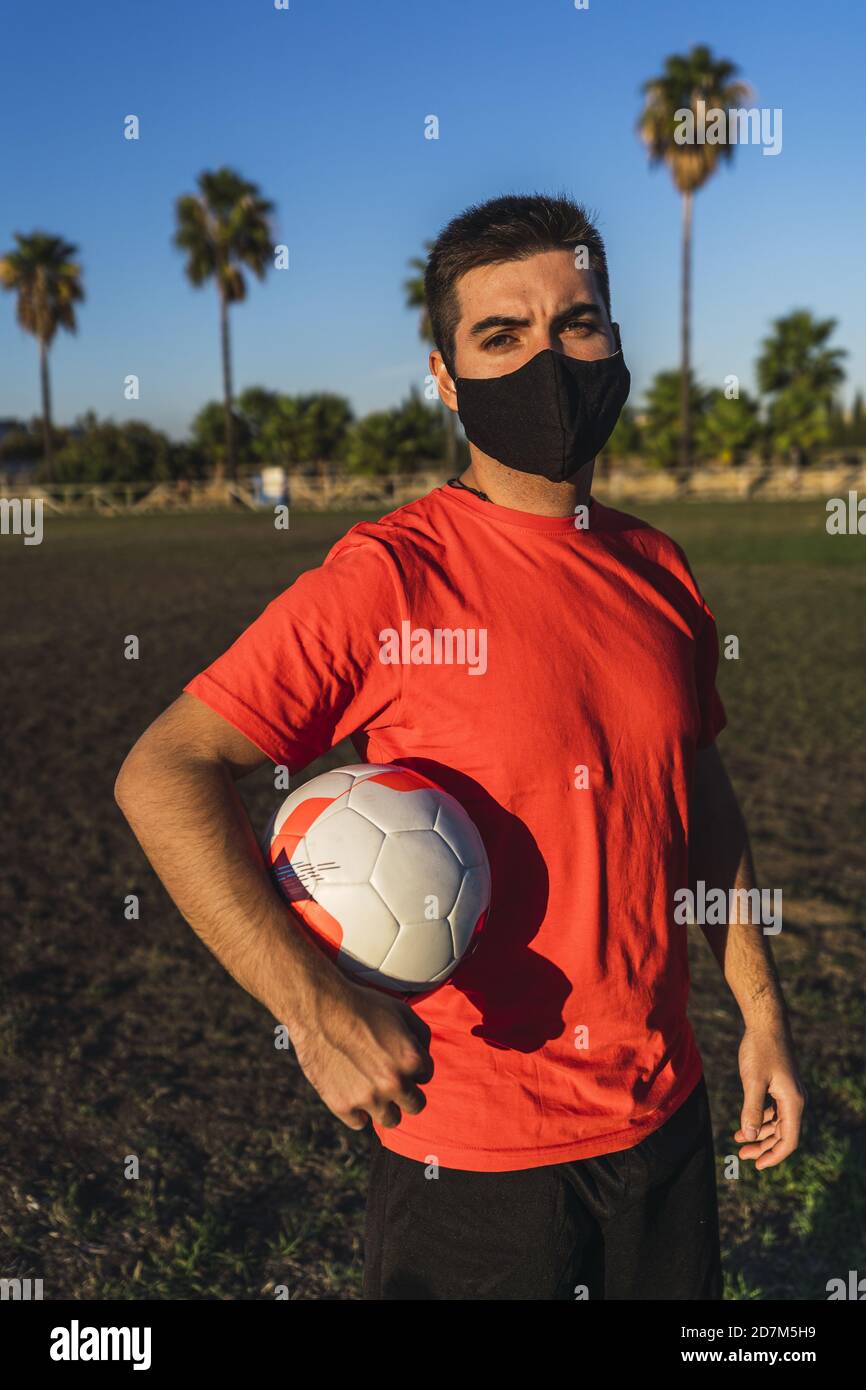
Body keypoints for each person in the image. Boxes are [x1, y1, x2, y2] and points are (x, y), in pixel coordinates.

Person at [115, 192, 805, 1301]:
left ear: (614, 343)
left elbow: (698, 796)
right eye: (500, 335)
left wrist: (759, 1017)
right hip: (473, 1163)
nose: (548, 357)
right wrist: (312, 1006)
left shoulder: (661, 570)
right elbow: (164, 769)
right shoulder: (387, 577)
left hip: (664, 1125)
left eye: (574, 324)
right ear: (445, 377)